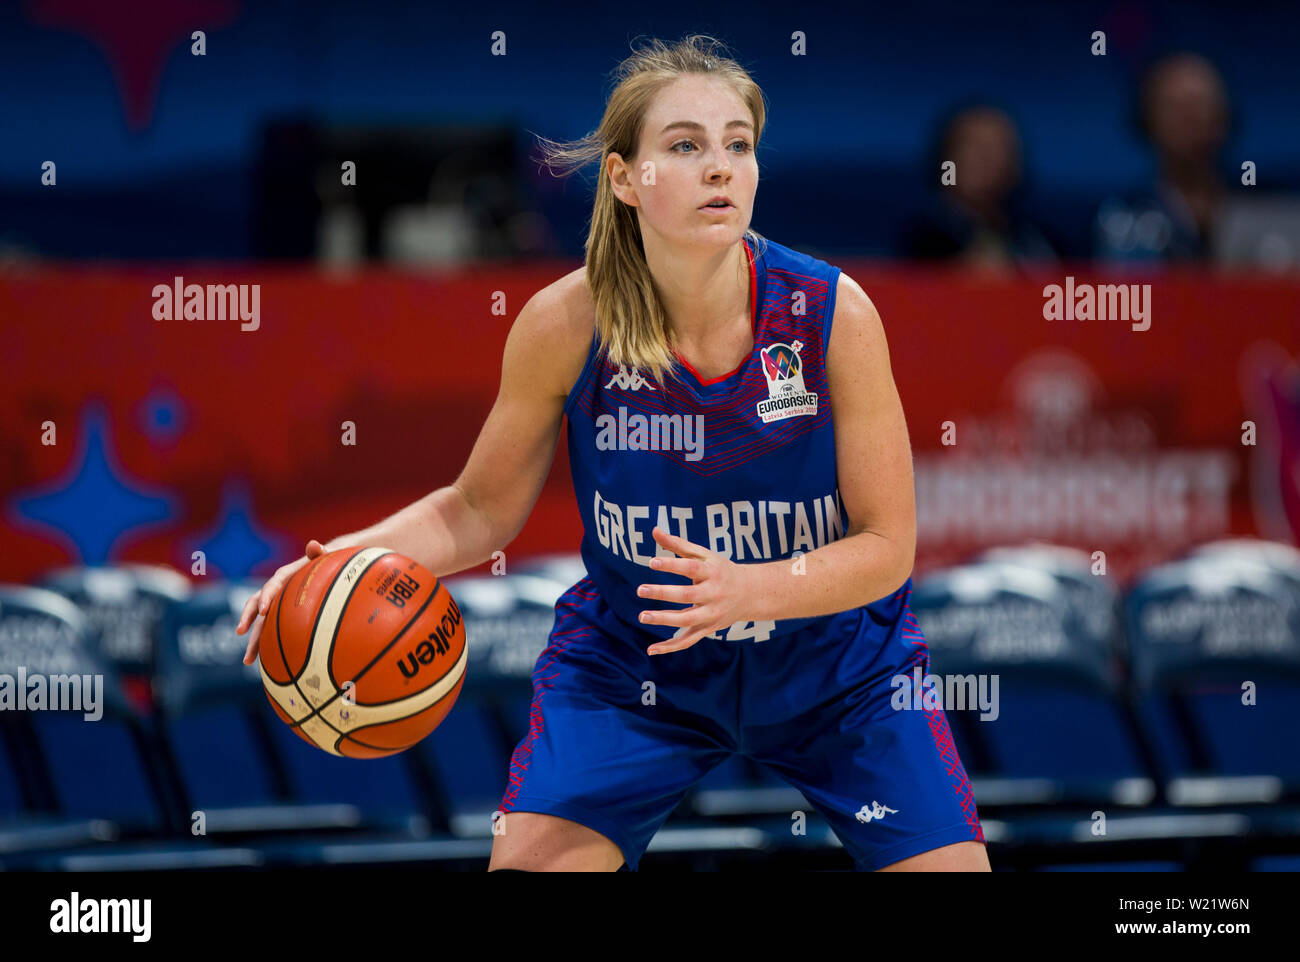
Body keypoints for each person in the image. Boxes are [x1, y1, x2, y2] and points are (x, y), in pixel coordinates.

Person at [236, 34, 988, 872]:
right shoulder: (564, 323)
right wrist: (334, 564)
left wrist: (754, 588)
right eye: (687, 145)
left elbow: (889, 548)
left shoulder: (832, 314)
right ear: (626, 177)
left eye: (738, 145)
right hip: (637, 672)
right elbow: (479, 509)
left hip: (839, 672)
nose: (720, 167)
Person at [1095, 52, 1232, 261]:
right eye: (1175, 106)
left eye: (1201, 104)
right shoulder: (1121, 218)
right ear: (1146, 119)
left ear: (1225, 116)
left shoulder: (1262, 204)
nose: (1190, 118)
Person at [902, 103, 1056, 268]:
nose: (984, 159)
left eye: (998, 148)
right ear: (945, 159)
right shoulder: (920, 244)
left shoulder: (1039, 241)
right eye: (971, 146)